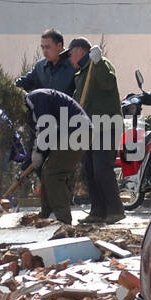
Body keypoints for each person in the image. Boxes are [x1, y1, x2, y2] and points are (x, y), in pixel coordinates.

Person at [68, 37, 125, 225]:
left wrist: (99, 62)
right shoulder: (81, 74)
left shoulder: (99, 64)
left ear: (80, 51)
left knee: (102, 168)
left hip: (107, 125)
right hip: (89, 128)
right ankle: (98, 211)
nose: (69, 57)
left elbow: (108, 83)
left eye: (71, 52)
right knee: (90, 170)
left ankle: (116, 210)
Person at [23, 88, 88, 226]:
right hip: (73, 132)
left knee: (53, 174)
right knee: (48, 171)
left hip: (77, 132)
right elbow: (40, 135)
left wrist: (39, 151)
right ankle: (45, 215)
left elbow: (46, 128)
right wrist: (29, 162)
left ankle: (64, 221)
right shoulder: (33, 106)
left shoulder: (35, 98)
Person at [14, 28, 76, 96]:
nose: (44, 51)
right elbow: (23, 83)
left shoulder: (74, 65)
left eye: (48, 47)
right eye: (42, 47)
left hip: (66, 106)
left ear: (59, 46)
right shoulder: (39, 67)